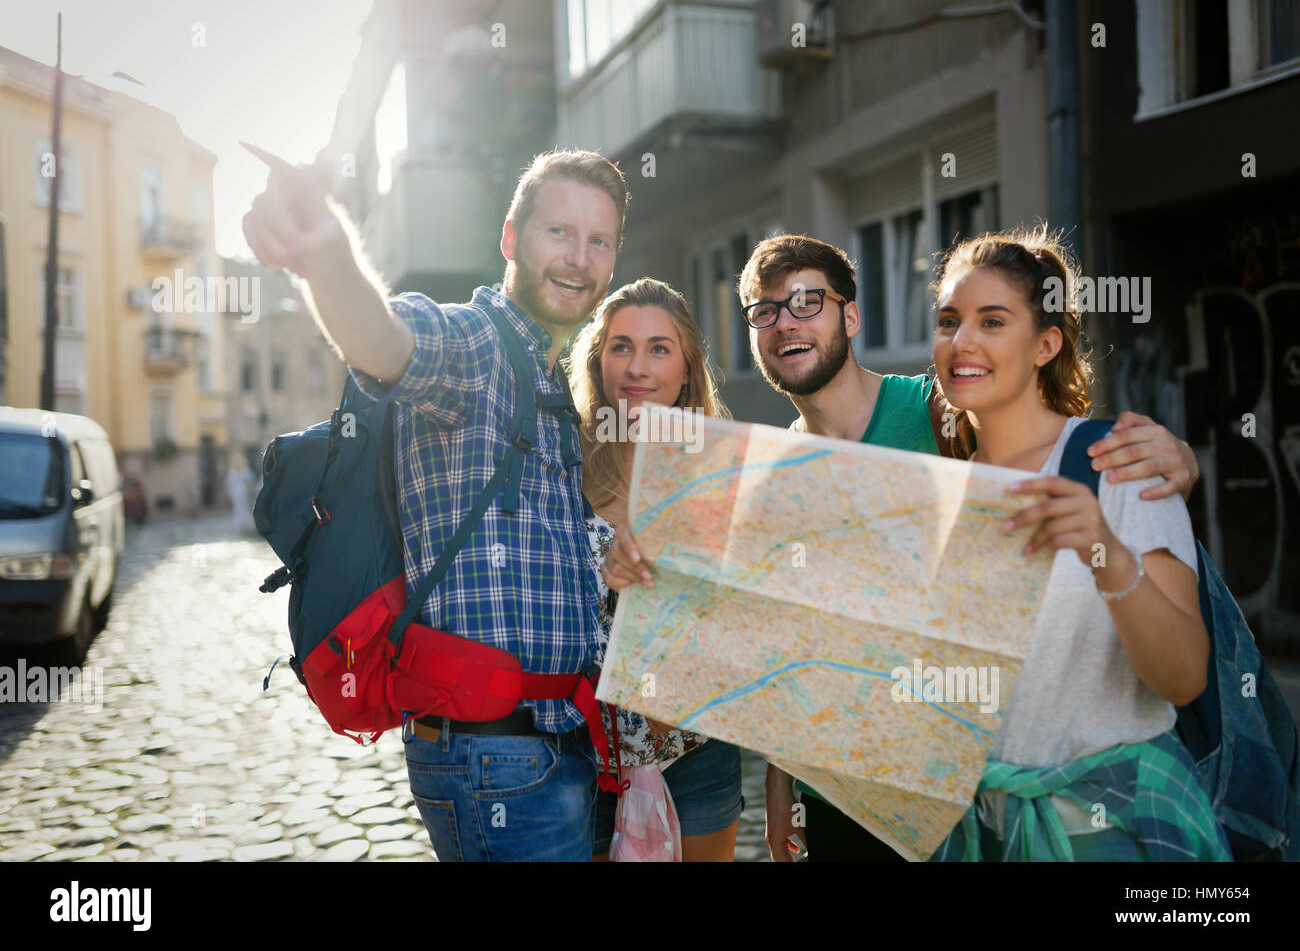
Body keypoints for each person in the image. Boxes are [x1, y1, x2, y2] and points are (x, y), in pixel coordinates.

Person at [601, 232, 1203, 862]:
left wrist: (1169, 457)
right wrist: (785, 782)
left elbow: (1051, 435)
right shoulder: (772, 474)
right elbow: (792, 642)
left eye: (807, 302)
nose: (785, 323)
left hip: (968, 793)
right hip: (847, 792)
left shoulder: (947, 413)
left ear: (851, 316)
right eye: (765, 311)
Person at [242, 146, 629, 861]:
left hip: (557, 745)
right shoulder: (475, 343)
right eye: (558, 233)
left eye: (598, 240)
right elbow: (384, 339)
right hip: (498, 759)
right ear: (511, 239)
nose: (578, 257)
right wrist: (326, 254)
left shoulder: (557, 382)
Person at [926, 227, 1228, 860]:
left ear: (1046, 344)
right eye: (948, 320)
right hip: (985, 835)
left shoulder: (1118, 463)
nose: (962, 342)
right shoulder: (939, 491)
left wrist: (1103, 551)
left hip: (1113, 837)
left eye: (992, 321)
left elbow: (1184, 677)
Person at [566, 277, 744, 861]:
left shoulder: (725, 471)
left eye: (658, 348)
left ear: (688, 367)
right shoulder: (565, 465)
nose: (636, 367)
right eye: (620, 347)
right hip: (583, 752)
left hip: (697, 747)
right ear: (599, 362)